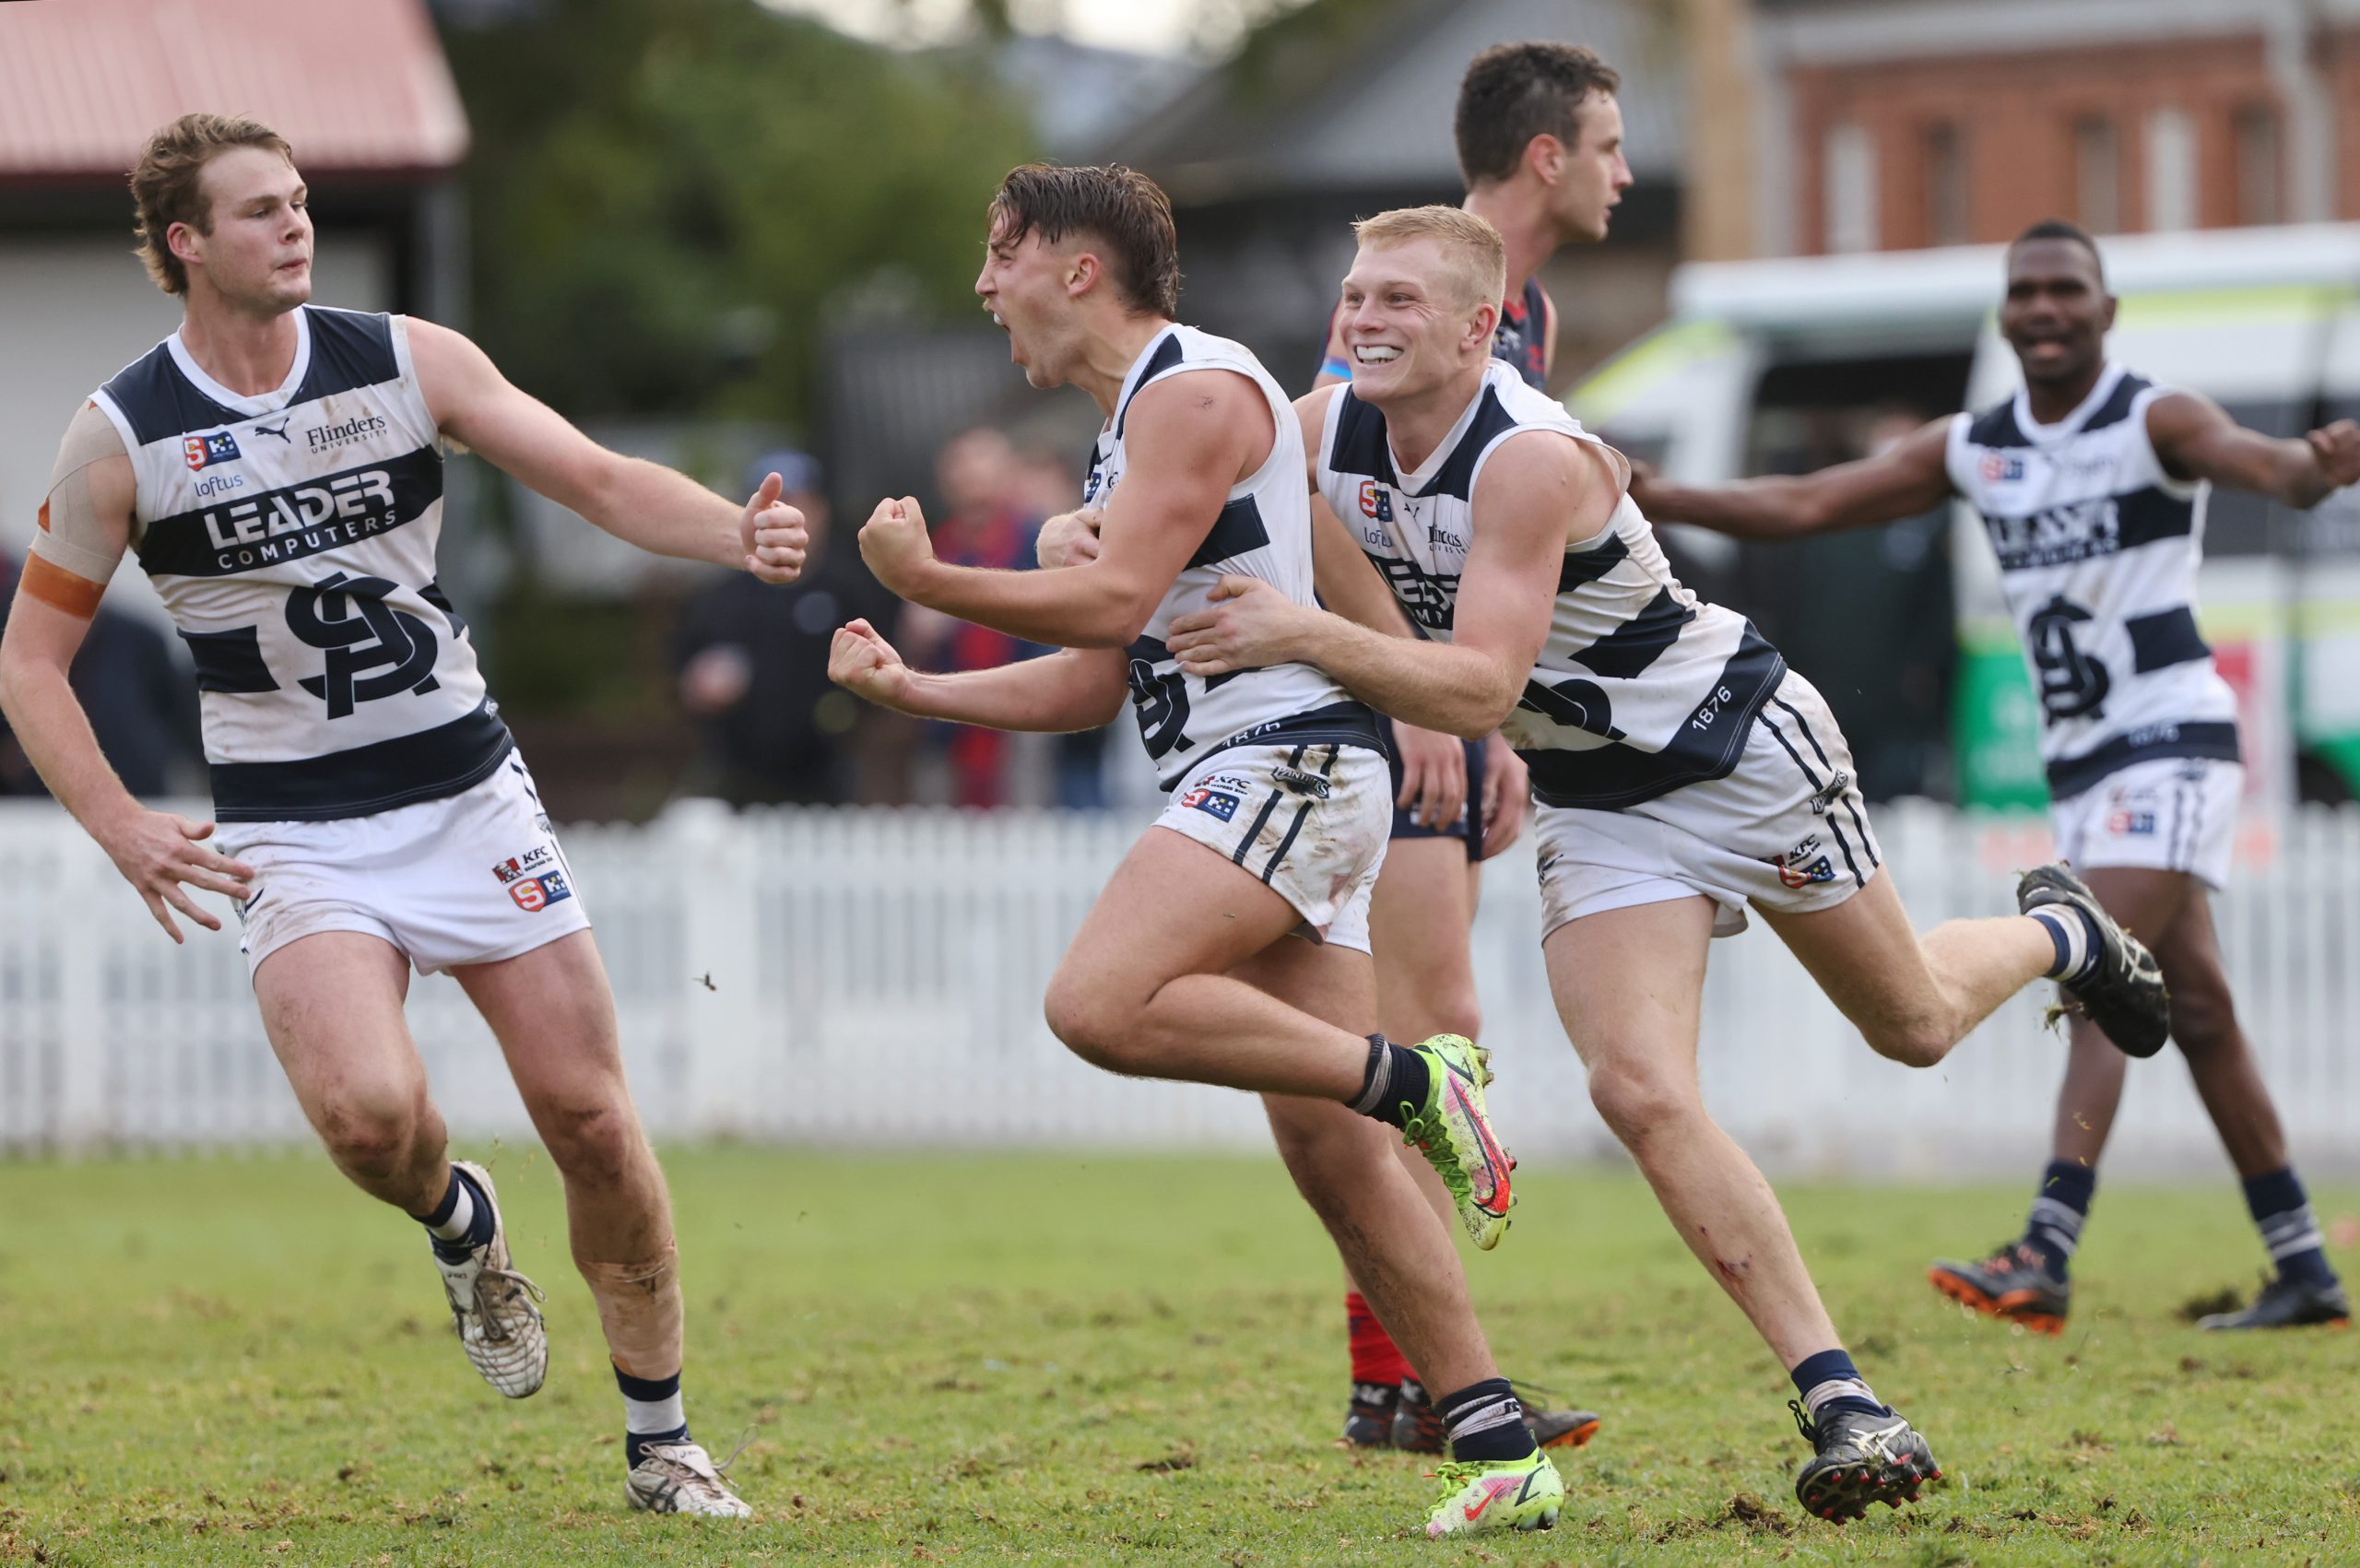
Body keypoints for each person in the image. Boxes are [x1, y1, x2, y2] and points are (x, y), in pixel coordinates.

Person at [1160, 206, 2171, 1522]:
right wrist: (1097, 545)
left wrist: (1300, 626)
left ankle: (2067, 937)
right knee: (1637, 1089)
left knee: (1913, 1021)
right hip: (1600, 799)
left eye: (1400, 300)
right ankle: (1841, 1396)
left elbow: (1474, 688)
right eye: (1356, 296)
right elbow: (1194, 490)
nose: (1364, 320)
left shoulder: (1531, 458)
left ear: (1481, 327)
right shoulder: (1319, 423)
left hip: (1740, 749)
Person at [0, 113, 810, 1515]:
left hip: (464, 791)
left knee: (592, 1118)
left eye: (302, 201)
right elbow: (29, 662)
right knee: (373, 1123)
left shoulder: (405, 359)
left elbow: (603, 480)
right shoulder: (120, 435)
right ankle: (458, 1219)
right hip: (296, 831)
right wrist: (126, 826)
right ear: (187, 243)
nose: (296, 226)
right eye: (261, 211)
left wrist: (731, 531)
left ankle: (664, 1443)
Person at [829, 161, 1564, 1537]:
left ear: (1077, 269)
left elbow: (1106, 595)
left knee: (1096, 1003)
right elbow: (1103, 672)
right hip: (1266, 769)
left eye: (1002, 256)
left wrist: (930, 582)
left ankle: (1419, 1078)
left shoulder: (1193, 391)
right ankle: (1499, 1440)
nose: (985, 286)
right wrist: (917, 688)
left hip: (1283, 762)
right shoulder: (1134, 427)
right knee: (1330, 1154)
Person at [1631, 218, 2360, 1335]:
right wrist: (1663, 498)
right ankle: (2303, 1266)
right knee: (2197, 1010)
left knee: (2092, 974)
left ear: (2105, 312)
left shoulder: (2150, 417)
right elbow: (1812, 502)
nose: (2045, 307)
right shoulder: (1975, 444)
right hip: (2085, 762)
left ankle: (2046, 1248)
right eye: (2025, 290)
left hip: (2169, 736)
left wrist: (2312, 468)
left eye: (2068, 288)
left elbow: (2263, 468)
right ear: (2005, 314)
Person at [1309, 38, 1627, 1456]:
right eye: (1611, 146)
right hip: (1383, 712)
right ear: (1548, 157)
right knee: (1420, 1038)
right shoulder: (1425, 287)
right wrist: (1419, 702)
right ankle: (1411, 1380)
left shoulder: (1522, 301)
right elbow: (1319, 491)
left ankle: (1404, 1375)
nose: (1627, 171)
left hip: (1440, 702)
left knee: (1432, 1034)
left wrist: (1477, 711)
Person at [672, 450, 871, 806]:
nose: (783, 519)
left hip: (827, 775)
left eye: (796, 505)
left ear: (820, 511)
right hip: (739, 776)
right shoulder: (721, 597)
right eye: (771, 509)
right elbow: (685, 667)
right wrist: (699, 682)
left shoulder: (851, 589)